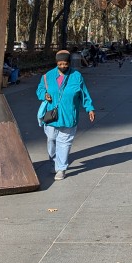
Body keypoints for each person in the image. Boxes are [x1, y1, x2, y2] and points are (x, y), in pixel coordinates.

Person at [37, 49, 95, 180]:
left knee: (64, 142)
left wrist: (89, 108)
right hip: (51, 116)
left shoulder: (76, 76)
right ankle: (53, 161)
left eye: (65, 64)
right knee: (51, 139)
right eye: (60, 64)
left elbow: (84, 94)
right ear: (56, 63)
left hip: (69, 115)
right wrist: (43, 95)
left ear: (69, 62)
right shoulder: (47, 76)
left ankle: (61, 168)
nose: (63, 66)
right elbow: (40, 89)